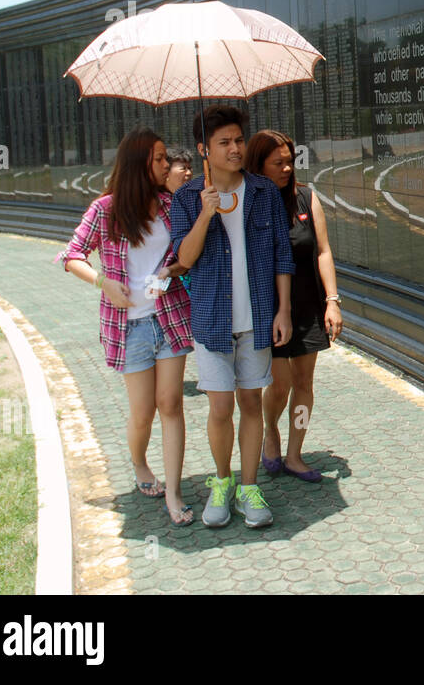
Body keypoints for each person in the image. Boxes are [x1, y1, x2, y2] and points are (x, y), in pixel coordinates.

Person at [57, 126, 194, 525]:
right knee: (143, 412)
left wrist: (172, 268)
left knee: (170, 403)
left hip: (169, 316)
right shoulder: (105, 210)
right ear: (138, 164)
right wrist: (104, 282)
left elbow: (187, 254)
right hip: (128, 327)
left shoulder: (171, 204)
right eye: (158, 158)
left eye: (166, 157)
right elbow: (71, 256)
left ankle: (174, 492)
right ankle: (139, 464)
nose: (166, 164)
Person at [171, 105, 294, 529]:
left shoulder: (262, 191)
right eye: (224, 142)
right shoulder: (187, 199)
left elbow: (282, 255)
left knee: (250, 402)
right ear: (204, 149)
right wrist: (207, 212)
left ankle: (248, 486)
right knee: (220, 406)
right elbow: (184, 260)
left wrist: (283, 310)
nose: (235, 148)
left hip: (259, 316)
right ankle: (220, 483)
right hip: (211, 319)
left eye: (239, 140)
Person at [245, 129, 342, 483]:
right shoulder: (249, 205)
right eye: (278, 163)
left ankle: (295, 453)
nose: (287, 168)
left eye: (290, 161)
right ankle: (270, 430)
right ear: (259, 165)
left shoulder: (306, 198)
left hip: (307, 305)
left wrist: (332, 301)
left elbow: (323, 251)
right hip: (267, 308)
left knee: (304, 382)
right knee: (280, 383)